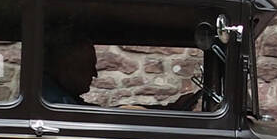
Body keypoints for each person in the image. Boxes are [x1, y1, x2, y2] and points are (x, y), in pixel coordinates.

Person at [42, 28, 201, 111]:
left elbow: (89, 112)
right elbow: (83, 119)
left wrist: (167, 109)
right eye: (86, 66)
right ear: (65, 66)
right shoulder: (51, 98)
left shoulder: (62, 95)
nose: (94, 74)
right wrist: (125, 111)